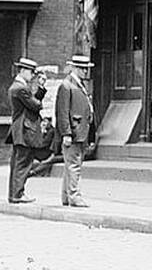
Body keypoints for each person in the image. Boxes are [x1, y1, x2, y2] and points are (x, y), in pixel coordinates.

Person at [54, 53, 95, 208]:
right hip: (74, 133)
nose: (85, 71)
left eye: (86, 68)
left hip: (79, 132)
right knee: (74, 165)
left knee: (70, 165)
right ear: (75, 68)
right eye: (82, 68)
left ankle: (66, 196)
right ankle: (74, 196)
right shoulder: (67, 85)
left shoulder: (77, 84)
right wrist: (66, 133)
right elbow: (62, 112)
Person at [6, 57, 46, 204]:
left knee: (17, 162)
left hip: (19, 129)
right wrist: (39, 93)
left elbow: (32, 102)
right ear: (22, 70)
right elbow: (36, 106)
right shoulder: (20, 88)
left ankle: (14, 194)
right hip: (25, 129)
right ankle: (18, 194)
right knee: (23, 163)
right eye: (31, 72)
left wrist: (40, 89)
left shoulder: (17, 87)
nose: (32, 75)